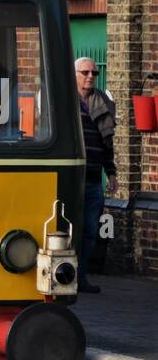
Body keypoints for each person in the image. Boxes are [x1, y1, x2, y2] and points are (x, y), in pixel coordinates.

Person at [75, 56, 116, 292]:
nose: (90, 76)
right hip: (71, 177)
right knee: (69, 229)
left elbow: (106, 143)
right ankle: (66, 277)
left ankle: (81, 277)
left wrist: (111, 173)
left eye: (94, 73)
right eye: (85, 72)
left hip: (92, 177)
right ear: (75, 75)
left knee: (90, 230)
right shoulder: (64, 102)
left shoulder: (103, 102)